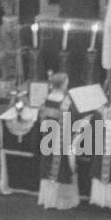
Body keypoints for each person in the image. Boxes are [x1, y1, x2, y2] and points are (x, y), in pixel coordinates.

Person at [36, 72, 79, 210]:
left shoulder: (45, 101)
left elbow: (41, 121)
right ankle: (60, 202)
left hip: (47, 142)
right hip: (61, 143)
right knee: (61, 171)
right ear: (64, 84)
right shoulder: (66, 103)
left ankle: (48, 200)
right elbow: (72, 125)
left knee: (48, 169)